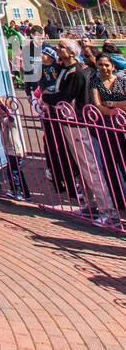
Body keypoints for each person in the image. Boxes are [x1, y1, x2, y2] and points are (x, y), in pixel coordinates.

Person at [42, 39, 115, 224]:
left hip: (79, 123)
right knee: (80, 166)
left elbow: (66, 96)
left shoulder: (77, 72)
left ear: (72, 53)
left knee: (90, 166)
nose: (58, 50)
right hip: (67, 122)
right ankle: (92, 202)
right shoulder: (64, 70)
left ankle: (108, 209)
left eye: (62, 47)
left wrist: (46, 97)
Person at [88, 54, 126, 216]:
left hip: (122, 126)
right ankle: (119, 200)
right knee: (110, 163)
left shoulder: (121, 81)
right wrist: (116, 110)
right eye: (101, 65)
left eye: (106, 65)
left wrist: (111, 105)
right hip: (106, 127)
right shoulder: (95, 83)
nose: (104, 68)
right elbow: (97, 105)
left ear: (112, 66)